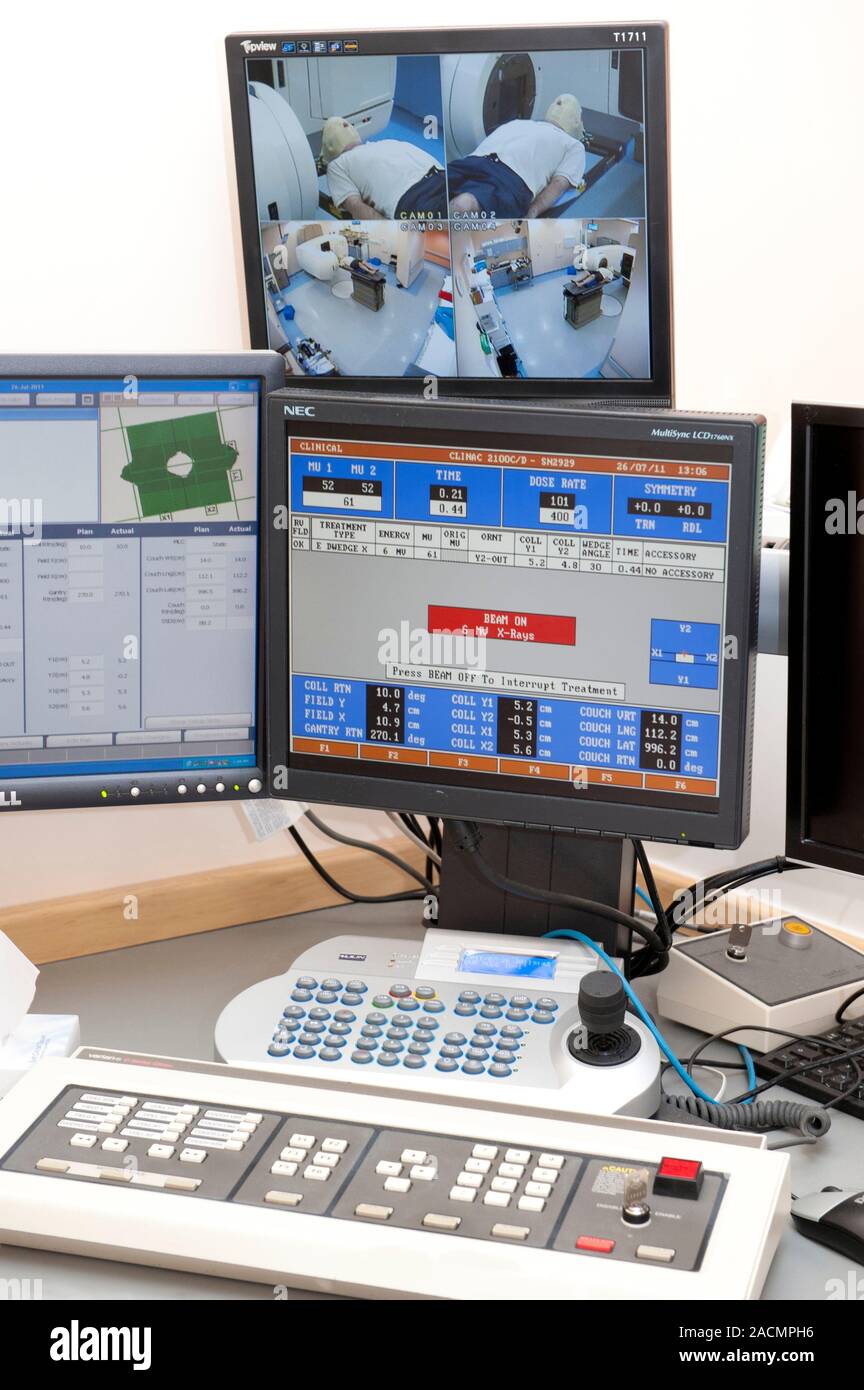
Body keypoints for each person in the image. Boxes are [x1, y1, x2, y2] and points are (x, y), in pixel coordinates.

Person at [447, 95, 586, 219]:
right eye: (559, 102)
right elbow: (559, 184)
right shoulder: (571, 143)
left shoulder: (518, 123)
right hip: (492, 168)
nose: (561, 104)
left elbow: (559, 183)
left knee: (453, 200)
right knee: (453, 200)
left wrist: (533, 212)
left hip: (489, 168)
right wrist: (533, 211)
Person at [322, 117, 446, 221]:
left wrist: (392, 234)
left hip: (414, 199)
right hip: (443, 177)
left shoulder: (337, 165)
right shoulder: (389, 143)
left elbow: (356, 206)